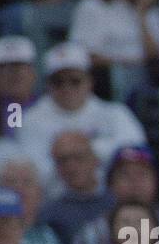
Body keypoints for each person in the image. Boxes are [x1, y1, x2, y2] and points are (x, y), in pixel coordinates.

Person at [16, 42, 146, 185]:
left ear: (89, 81)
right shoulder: (30, 119)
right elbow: (33, 169)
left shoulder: (115, 113)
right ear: (48, 85)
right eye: (58, 82)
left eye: (75, 81)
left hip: (106, 195)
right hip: (54, 198)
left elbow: (136, 153)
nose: (67, 88)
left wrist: (87, 150)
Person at [38, 131, 112, 244]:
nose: (71, 166)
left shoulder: (117, 203)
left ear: (95, 160)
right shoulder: (48, 214)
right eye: (63, 160)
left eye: (78, 157)